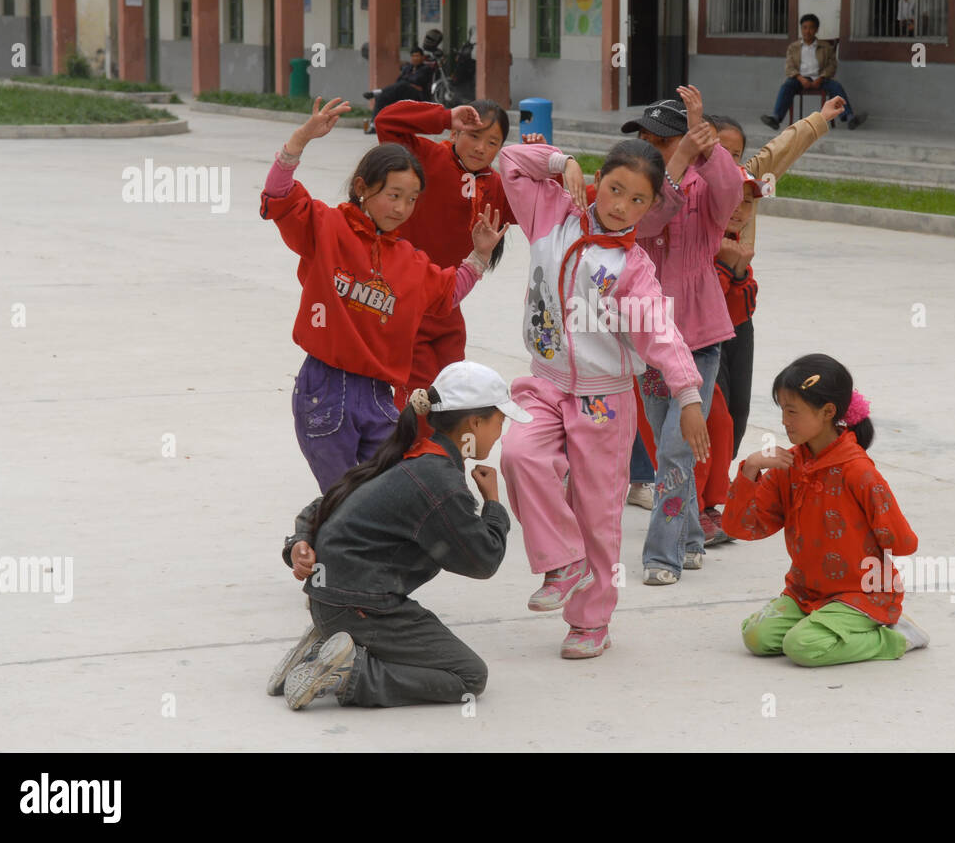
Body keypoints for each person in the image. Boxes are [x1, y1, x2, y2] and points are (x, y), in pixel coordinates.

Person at [497, 138, 710, 659]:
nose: (621, 206)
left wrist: (687, 396)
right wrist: (558, 161)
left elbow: (660, 331)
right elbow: (509, 160)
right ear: (598, 178)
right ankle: (563, 563)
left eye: (638, 200)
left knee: (598, 513)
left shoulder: (633, 268)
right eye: (615, 189)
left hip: (604, 400)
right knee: (519, 455)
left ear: (651, 206)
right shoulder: (552, 214)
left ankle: (592, 621)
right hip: (545, 382)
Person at [261, 97, 508, 493]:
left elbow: (447, 292)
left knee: (390, 494)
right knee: (343, 501)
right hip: (325, 389)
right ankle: (316, 546)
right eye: (393, 195)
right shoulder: (326, 227)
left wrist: (479, 257)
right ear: (362, 187)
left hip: (379, 397)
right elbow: (279, 196)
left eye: (412, 199)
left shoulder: (408, 261)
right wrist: (299, 141)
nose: (401, 208)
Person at [268, 360, 531, 710]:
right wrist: (494, 505)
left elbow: (324, 503)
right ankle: (349, 670)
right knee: (468, 677)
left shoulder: (412, 452)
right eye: (501, 420)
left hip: (331, 599)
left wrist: (299, 541)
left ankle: (324, 647)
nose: (501, 432)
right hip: (358, 605)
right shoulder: (440, 482)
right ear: (474, 423)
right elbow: (483, 560)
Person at [695, 97, 848, 546]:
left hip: (739, 315)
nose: (729, 160)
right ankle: (700, 507)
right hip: (700, 319)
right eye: (718, 151)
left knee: (738, 410)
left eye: (736, 153)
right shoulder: (695, 191)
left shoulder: (746, 183)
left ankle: (714, 490)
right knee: (710, 415)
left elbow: (782, 149)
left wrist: (819, 119)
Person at [722, 353, 929, 666]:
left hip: (862, 594)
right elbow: (741, 528)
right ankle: (823, 623)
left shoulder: (858, 471)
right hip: (806, 591)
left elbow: (903, 542)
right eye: (782, 410)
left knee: (801, 647)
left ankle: (895, 635)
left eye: (792, 411)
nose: (784, 421)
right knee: (756, 637)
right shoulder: (787, 467)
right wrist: (751, 469)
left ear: (828, 412)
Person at [624, 86, 742, 585]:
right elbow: (646, 219)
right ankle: (692, 537)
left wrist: (707, 146)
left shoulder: (708, 185)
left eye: (661, 139)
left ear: (683, 141)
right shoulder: (639, 185)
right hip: (649, 335)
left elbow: (733, 191)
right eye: (644, 138)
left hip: (699, 335)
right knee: (662, 443)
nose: (650, 147)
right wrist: (672, 165)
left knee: (674, 445)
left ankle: (662, 555)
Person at [373, 99, 516, 400]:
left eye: (492, 142)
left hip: (450, 304)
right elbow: (387, 121)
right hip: (407, 300)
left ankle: (442, 448)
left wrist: (549, 161)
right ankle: (413, 447)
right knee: (417, 397)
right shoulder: (425, 158)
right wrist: (444, 116)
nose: (480, 148)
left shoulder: (498, 187)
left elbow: (551, 204)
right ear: (455, 134)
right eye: (473, 135)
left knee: (454, 391)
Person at [760, 14, 866, 133]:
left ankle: (850, 118)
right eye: (804, 28)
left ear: (816, 29)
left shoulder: (826, 47)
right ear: (801, 29)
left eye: (811, 28)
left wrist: (820, 78)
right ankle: (776, 118)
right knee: (786, 86)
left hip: (821, 78)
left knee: (836, 86)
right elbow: (789, 67)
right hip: (799, 79)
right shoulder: (793, 47)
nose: (807, 31)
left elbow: (832, 65)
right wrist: (800, 78)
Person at [363, 47, 435, 131]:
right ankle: (374, 125)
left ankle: (377, 92)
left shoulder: (426, 69)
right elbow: (399, 81)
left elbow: (417, 80)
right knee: (381, 97)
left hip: (418, 96)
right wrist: (409, 81)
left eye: (417, 56)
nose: (415, 58)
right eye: (413, 56)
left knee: (403, 84)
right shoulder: (407, 68)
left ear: (422, 57)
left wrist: (407, 80)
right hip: (402, 93)